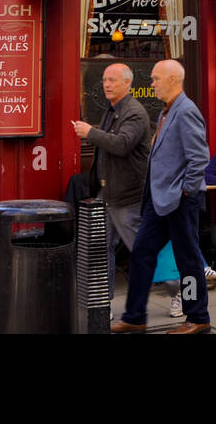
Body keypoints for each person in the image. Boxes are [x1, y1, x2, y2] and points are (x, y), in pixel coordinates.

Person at [113, 60, 210, 334]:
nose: (152, 83)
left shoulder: (186, 110)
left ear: (172, 80)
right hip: (160, 201)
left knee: (188, 260)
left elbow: (199, 158)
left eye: (156, 78)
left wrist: (186, 191)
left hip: (179, 200)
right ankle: (134, 316)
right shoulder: (166, 112)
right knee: (142, 251)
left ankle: (197, 316)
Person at [72, 63, 150, 303]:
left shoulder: (134, 112)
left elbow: (122, 144)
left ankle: (177, 288)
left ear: (127, 83)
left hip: (127, 196)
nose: (106, 84)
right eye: (105, 79)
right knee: (100, 248)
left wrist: (91, 133)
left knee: (142, 250)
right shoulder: (112, 109)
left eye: (112, 80)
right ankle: (101, 302)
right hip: (108, 192)